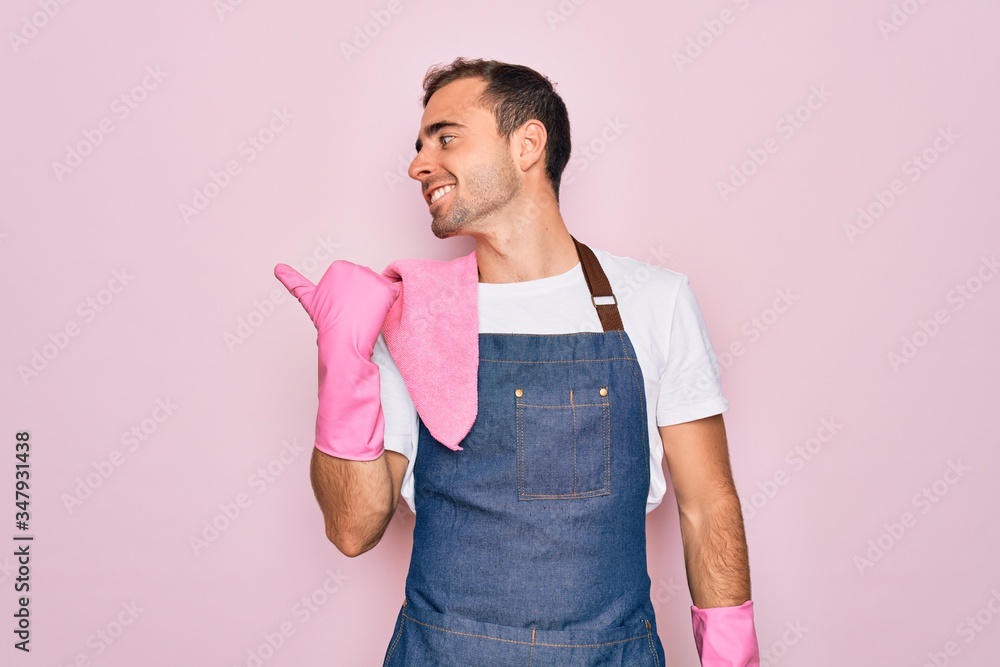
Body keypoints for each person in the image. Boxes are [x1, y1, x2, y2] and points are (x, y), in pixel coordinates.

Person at [276, 57, 759, 666]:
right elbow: (354, 527)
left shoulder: (655, 302)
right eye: (419, 145)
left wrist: (732, 660)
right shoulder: (410, 315)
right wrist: (342, 358)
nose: (418, 165)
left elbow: (708, 504)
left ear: (528, 143)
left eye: (445, 137)